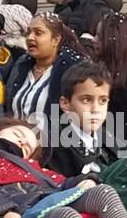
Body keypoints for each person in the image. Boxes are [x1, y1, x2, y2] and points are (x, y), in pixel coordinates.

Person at [6, 12, 85, 144]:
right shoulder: (21, 66)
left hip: (53, 152)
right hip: (18, 148)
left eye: (38, 33)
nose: (30, 37)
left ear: (55, 40)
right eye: (28, 32)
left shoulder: (71, 71)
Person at [45, 62, 117, 179]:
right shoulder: (52, 150)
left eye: (103, 101)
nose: (96, 110)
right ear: (65, 103)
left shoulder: (108, 139)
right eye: (86, 100)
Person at [94, 11, 127, 155]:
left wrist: (106, 127)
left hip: (121, 153)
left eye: (99, 36)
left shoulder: (125, 81)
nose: (94, 40)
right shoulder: (112, 71)